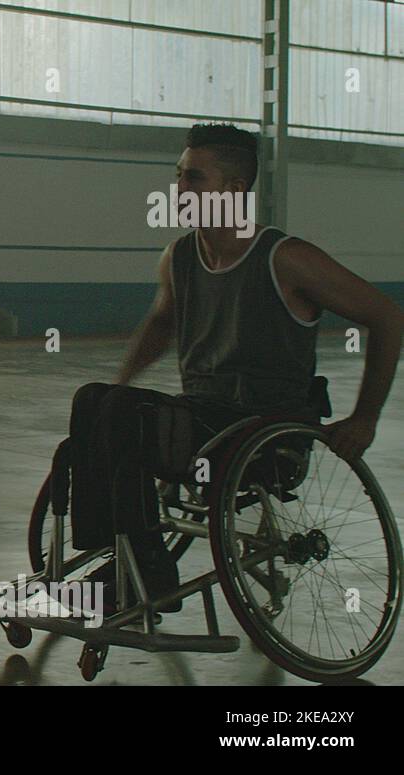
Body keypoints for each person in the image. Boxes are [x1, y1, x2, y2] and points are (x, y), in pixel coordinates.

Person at [69, 123, 403, 613]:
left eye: (193, 178)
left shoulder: (286, 258)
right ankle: (116, 556)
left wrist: (365, 417)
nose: (178, 188)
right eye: (178, 175)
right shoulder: (180, 256)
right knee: (93, 399)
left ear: (232, 189)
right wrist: (118, 385)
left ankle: (148, 573)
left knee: (116, 409)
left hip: (264, 430)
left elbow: (388, 317)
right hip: (204, 416)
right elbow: (162, 324)